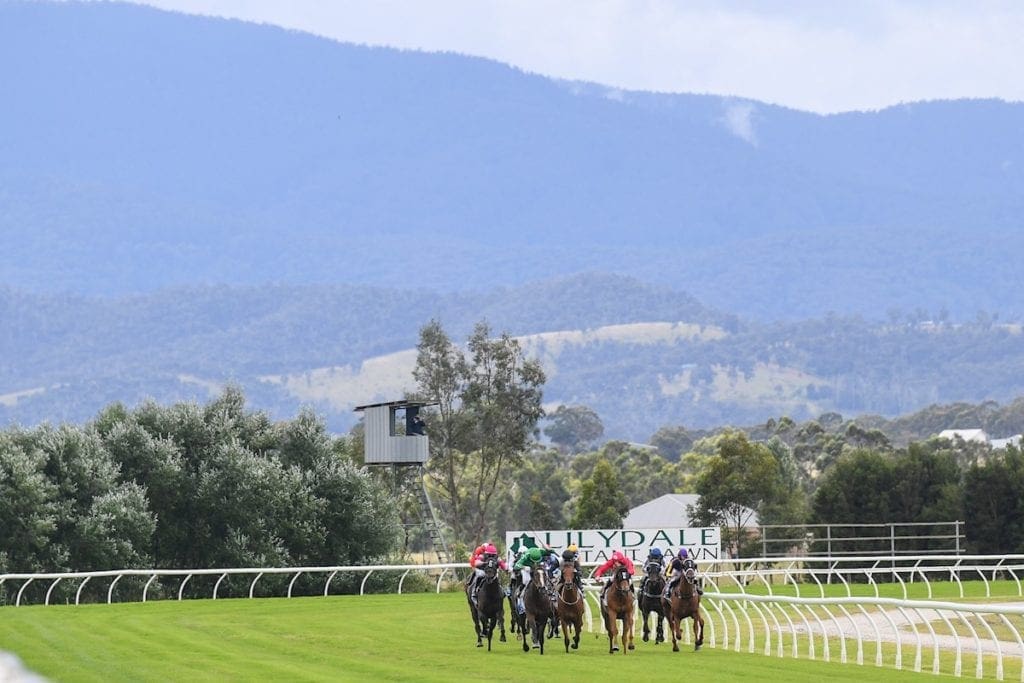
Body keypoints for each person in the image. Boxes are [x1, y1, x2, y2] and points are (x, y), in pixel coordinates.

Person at [512, 546, 560, 614]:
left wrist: (549, 550)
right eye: (534, 560)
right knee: (526, 581)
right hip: (528, 571)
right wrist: (524, 567)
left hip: (539, 570)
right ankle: (520, 597)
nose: (535, 562)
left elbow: (551, 551)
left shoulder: (541, 551)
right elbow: (516, 566)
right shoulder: (526, 556)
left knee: (547, 579)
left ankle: (552, 598)